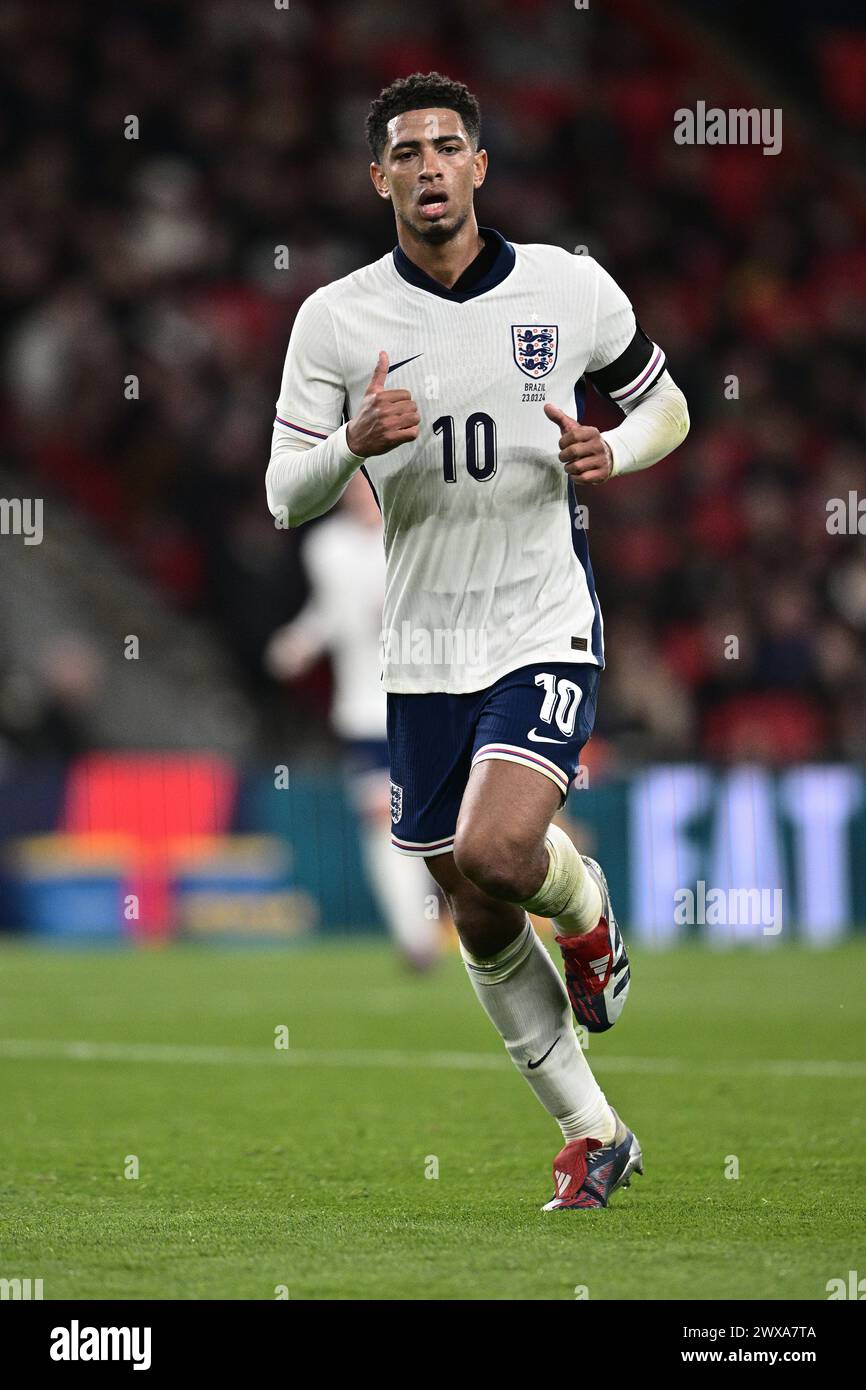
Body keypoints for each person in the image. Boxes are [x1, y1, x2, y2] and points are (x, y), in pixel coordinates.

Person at [266, 72, 689, 1210]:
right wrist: (349, 439)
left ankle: (587, 909)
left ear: (479, 167)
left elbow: (665, 404)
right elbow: (281, 493)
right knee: (474, 899)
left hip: (539, 615)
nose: (428, 167)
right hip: (421, 650)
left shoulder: (565, 284)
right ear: (378, 179)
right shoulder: (338, 319)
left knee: (504, 856)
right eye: (404, 152)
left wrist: (618, 450)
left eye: (447, 146)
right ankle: (593, 1133)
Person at [264, 473, 441, 970]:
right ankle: (416, 939)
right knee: (383, 820)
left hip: (427, 699)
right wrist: (302, 640)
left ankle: (456, 928)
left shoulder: (418, 532)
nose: (360, 493)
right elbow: (332, 612)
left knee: (436, 821)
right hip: (365, 709)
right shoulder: (327, 547)